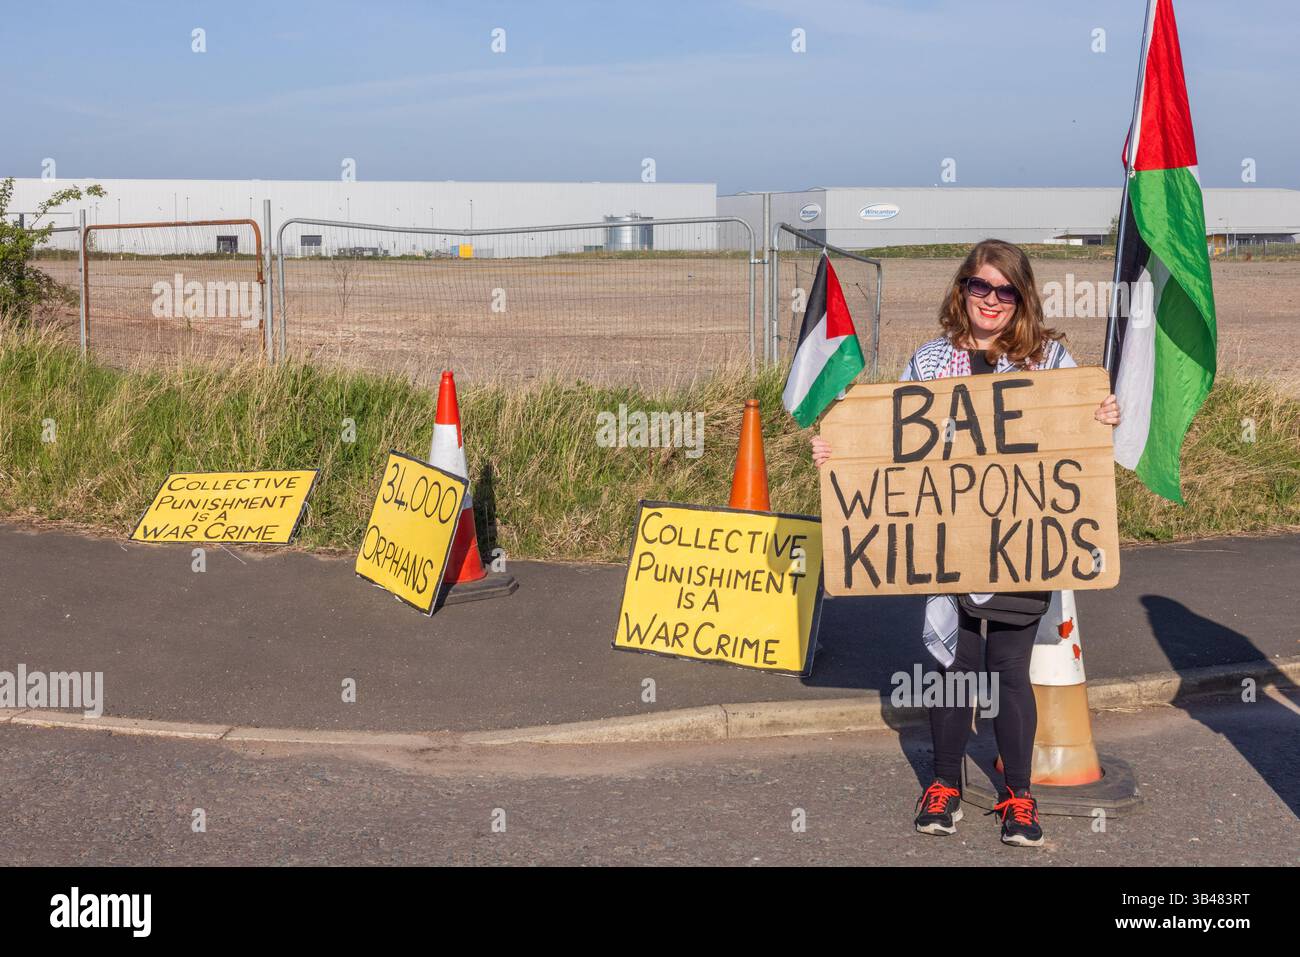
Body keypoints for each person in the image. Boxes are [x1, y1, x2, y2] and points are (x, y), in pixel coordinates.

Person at [810, 239, 1121, 847]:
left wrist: (1103, 413)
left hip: (1020, 542)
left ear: (1021, 297)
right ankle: (945, 784)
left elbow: (1078, 434)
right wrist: (838, 450)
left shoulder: (1050, 360)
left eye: (1006, 291)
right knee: (951, 666)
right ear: (963, 290)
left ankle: (1019, 797)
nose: (992, 300)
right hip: (945, 545)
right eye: (981, 287)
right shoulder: (929, 362)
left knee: (1008, 668)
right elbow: (888, 444)